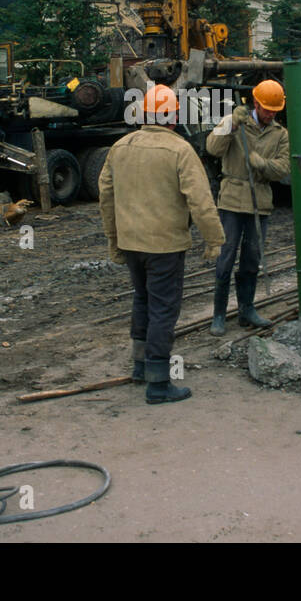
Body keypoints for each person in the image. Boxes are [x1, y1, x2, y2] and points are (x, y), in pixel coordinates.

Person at [100, 84, 225, 404]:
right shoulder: (180, 150)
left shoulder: (120, 147)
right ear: (173, 117)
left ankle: (140, 365)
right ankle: (158, 383)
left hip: (132, 243)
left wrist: (114, 241)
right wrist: (214, 240)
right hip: (165, 245)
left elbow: (106, 197)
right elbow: (200, 200)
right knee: (163, 309)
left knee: (142, 300)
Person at [204, 78, 291, 336]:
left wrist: (262, 164)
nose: (271, 114)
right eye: (267, 109)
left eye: (275, 110)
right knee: (225, 257)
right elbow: (212, 147)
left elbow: (284, 168)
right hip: (232, 201)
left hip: (259, 203)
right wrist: (230, 122)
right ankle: (219, 314)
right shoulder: (236, 124)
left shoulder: (280, 134)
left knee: (252, 258)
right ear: (255, 103)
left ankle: (247, 310)